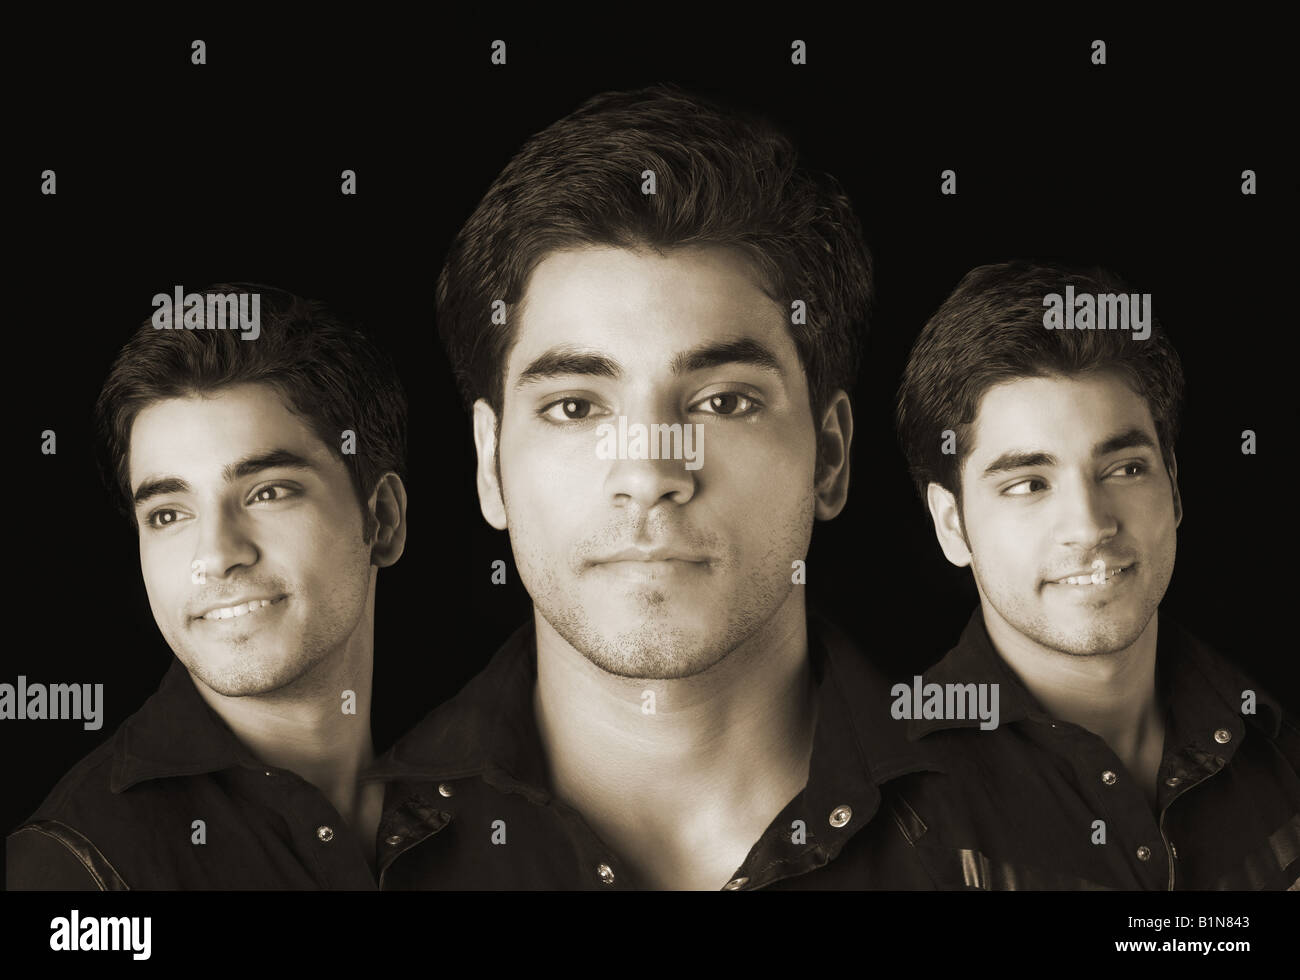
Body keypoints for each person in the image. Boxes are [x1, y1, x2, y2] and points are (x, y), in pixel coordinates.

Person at [369, 84, 945, 890]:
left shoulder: (1025, 837)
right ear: (488, 465)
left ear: (829, 456)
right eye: (575, 406)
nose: (647, 472)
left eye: (722, 402)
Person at [892, 259, 1300, 889]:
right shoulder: (890, 814)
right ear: (952, 526)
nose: (1089, 525)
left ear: (1174, 485)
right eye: (1029, 483)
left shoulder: (1279, 746)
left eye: (1124, 469)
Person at [7, 284, 411, 888]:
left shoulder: (500, 802)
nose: (217, 556)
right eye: (169, 514)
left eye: (266, 492)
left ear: (380, 519)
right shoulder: (76, 870)